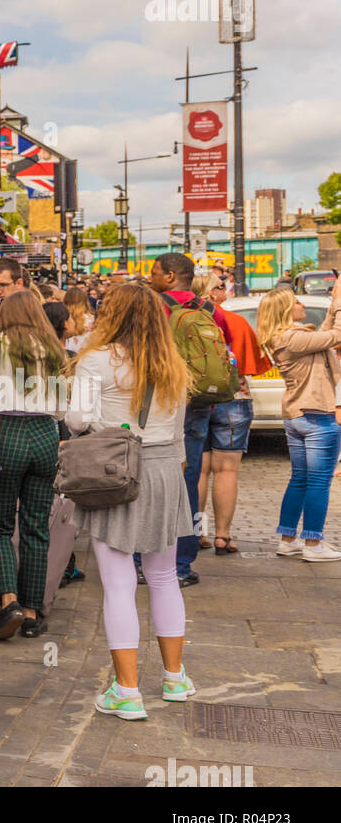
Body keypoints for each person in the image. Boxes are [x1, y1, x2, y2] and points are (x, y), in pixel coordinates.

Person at [67, 283, 196, 720]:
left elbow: (78, 421)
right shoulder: (173, 362)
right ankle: (175, 678)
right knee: (163, 578)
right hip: (163, 469)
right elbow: (178, 429)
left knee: (118, 582)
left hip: (115, 468)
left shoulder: (95, 361)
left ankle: (127, 690)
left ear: (111, 316)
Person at [0, 290, 67, 640]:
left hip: (6, 430)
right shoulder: (53, 347)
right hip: (45, 432)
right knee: (36, 526)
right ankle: (31, 611)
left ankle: (8, 600)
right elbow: (61, 404)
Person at [148, 251, 234, 587]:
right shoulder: (209, 309)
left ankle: (149, 560)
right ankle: (182, 564)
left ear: (170, 276)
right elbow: (229, 349)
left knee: (154, 482)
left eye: (154, 272)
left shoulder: (156, 308)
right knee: (189, 480)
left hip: (163, 404)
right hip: (199, 404)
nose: (150, 278)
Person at [257, 278, 341, 561]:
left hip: (298, 416)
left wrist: (332, 305)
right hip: (317, 416)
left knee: (300, 480)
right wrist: (339, 300)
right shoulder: (293, 338)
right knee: (318, 482)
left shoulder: (289, 338)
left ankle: (288, 538)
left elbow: (327, 333)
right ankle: (314, 544)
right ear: (285, 311)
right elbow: (337, 335)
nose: (302, 303)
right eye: (296, 301)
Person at [191, 273, 267, 554]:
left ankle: (196, 532)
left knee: (198, 469)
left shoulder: (185, 323)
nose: (226, 290)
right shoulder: (235, 322)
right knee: (227, 470)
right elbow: (251, 365)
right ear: (211, 293)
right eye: (221, 287)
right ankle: (223, 536)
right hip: (233, 399)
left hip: (196, 399)